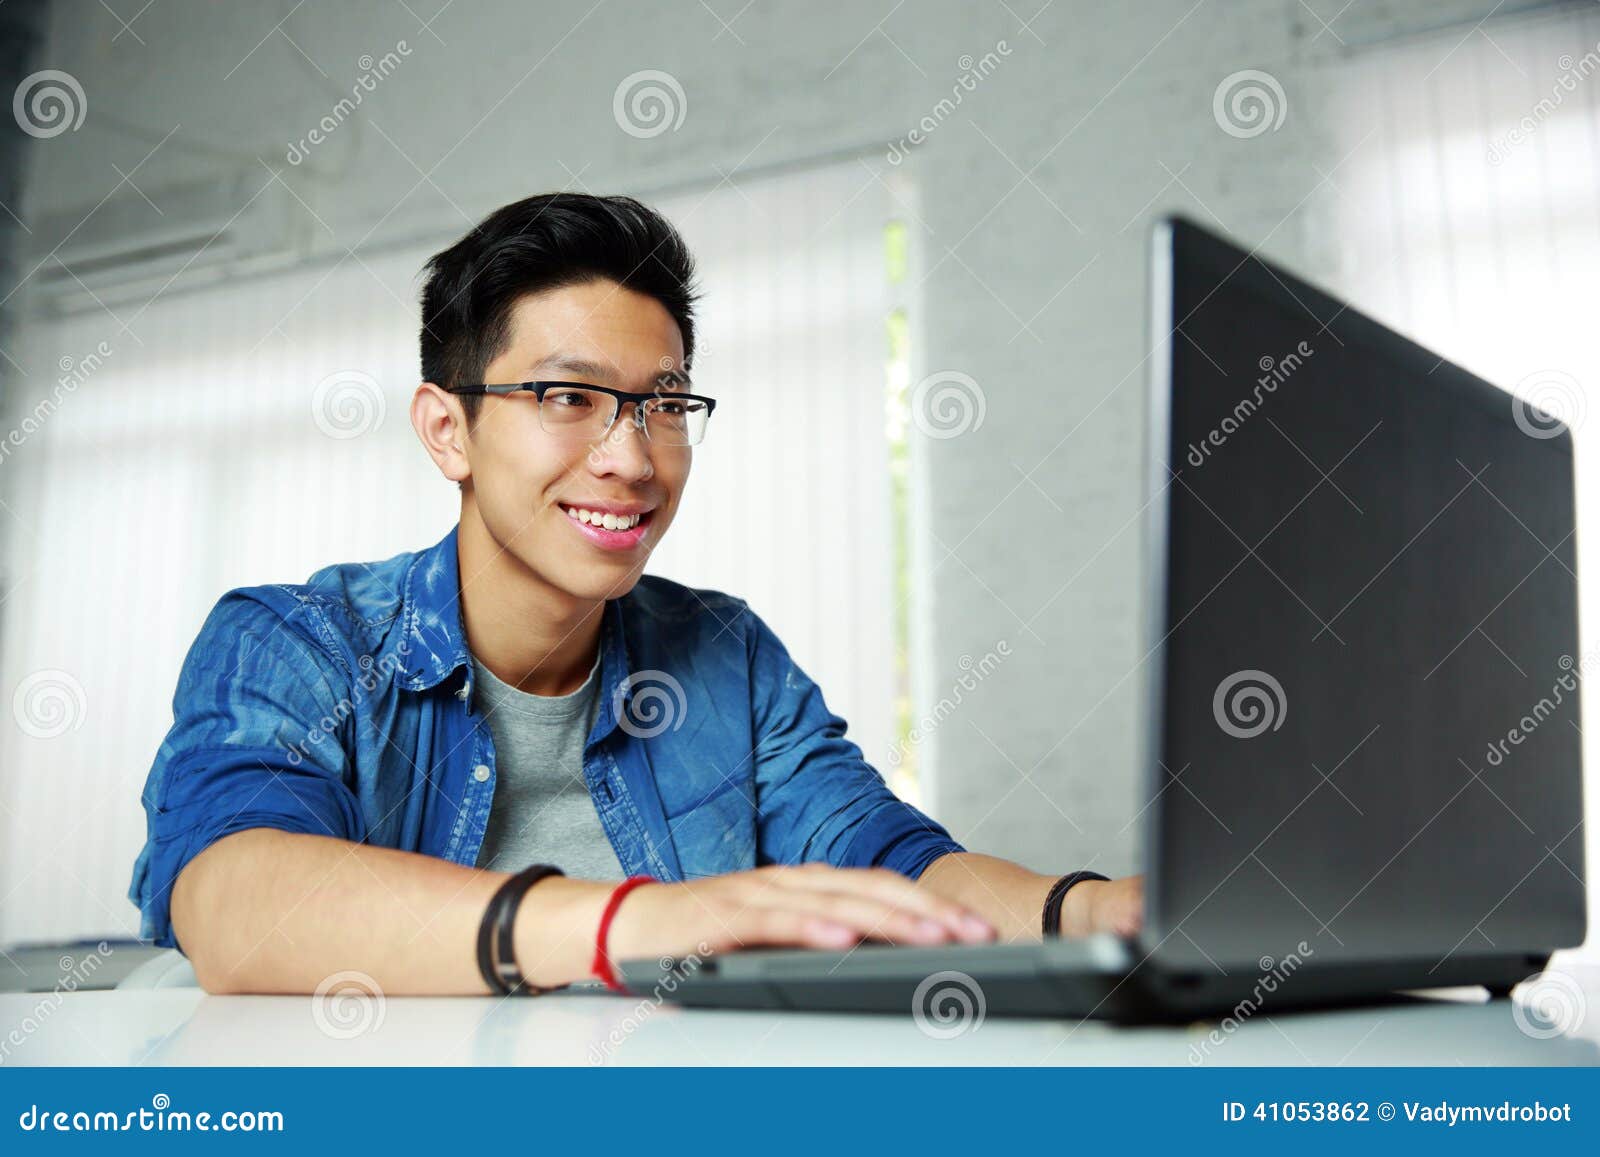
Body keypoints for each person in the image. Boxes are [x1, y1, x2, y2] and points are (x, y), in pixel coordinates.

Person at [128, 192, 1142, 995]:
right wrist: (628, 924)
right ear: (448, 430)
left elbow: (881, 859)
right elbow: (234, 894)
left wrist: (1091, 913)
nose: (631, 457)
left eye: (661, 404)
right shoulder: (293, 644)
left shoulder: (724, 653)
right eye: (568, 397)